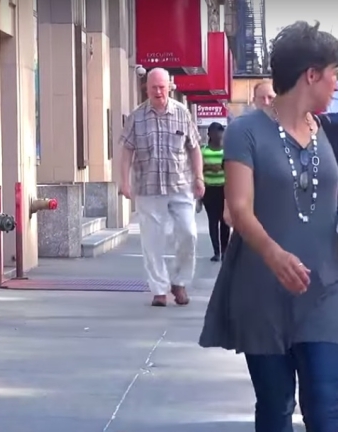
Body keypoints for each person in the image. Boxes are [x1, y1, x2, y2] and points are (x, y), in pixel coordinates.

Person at [199, 21, 338, 432]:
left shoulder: (330, 132)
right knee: (276, 406)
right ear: (311, 74)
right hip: (262, 288)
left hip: (324, 289)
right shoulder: (245, 131)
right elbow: (239, 208)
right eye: (333, 74)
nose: (336, 84)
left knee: (326, 407)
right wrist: (275, 255)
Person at [118, 67, 204, 307]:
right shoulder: (136, 117)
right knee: (152, 242)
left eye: (162, 87)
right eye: (154, 87)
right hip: (149, 187)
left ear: (170, 88)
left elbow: (194, 148)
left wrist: (199, 177)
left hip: (181, 185)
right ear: (146, 88)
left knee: (189, 234)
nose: (158, 92)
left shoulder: (182, 113)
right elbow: (126, 150)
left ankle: (179, 281)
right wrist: (124, 181)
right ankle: (159, 290)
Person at [200, 122, 230, 262]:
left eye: (220, 133)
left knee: (224, 221)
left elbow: (232, 169)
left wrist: (222, 167)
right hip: (209, 190)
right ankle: (216, 251)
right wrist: (209, 168)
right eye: (216, 133)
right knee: (213, 221)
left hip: (224, 190)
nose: (219, 136)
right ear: (210, 134)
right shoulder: (203, 151)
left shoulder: (227, 151)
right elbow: (198, 168)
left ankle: (224, 251)